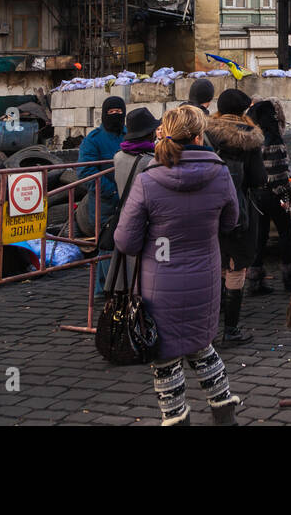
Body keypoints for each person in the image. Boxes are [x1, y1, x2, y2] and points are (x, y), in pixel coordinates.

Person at [112, 105, 241, 426]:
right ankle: (225, 416)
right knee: (202, 348)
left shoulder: (148, 180)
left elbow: (125, 241)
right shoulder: (220, 173)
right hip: (205, 280)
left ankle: (176, 420)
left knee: (166, 359)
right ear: (200, 136)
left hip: (160, 287)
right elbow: (231, 221)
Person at [202, 89, 264, 344]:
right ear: (243, 110)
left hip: (207, 209)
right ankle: (231, 330)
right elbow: (259, 179)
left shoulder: (205, 134)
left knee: (214, 263)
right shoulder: (250, 138)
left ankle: (207, 326)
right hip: (239, 209)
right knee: (236, 266)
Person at [101, 106, 159, 292]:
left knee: (126, 271)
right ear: (149, 134)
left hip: (125, 218)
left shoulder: (119, 157)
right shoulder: (150, 161)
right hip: (146, 221)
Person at [247, 99, 291, 293]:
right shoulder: (274, 138)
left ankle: (255, 279)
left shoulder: (252, 138)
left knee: (260, 236)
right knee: (285, 232)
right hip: (277, 194)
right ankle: (290, 277)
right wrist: (285, 195)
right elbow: (280, 172)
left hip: (257, 195)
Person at [78, 95, 126, 294]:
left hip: (129, 198)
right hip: (104, 202)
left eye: (119, 112)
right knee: (106, 244)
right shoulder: (93, 140)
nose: (115, 116)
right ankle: (107, 289)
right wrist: (112, 190)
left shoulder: (128, 135)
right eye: (111, 113)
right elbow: (85, 172)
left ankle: (113, 286)